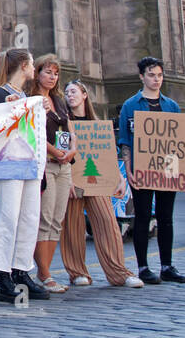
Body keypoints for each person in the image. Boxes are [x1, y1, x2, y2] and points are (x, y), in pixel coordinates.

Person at [0, 47, 49, 305]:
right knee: (7, 217)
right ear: (22, 65)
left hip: (30, 162)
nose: (34, 68)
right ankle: (2, 274)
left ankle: (21, 269)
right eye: (32, 64)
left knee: (29, 218)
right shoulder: (2, 93)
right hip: (9, 164)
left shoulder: (25, 95)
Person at [59, 81, 141, 287]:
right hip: (72, 179)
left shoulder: (97, 122)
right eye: (67, 92)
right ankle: (77, 272)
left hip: (97, 181)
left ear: (85, 94)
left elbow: (108, 157)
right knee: (73, 226)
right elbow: (61, 152)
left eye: (74, 91)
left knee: (107, 222)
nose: (70, 95)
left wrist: (119, 179)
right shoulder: (63, 122)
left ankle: (119, 272)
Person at [118, 57, 185, 284]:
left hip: (168, 169)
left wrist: (182, 172)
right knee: (142, 217)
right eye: (151, 75)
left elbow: (178, 143)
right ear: (141, 76)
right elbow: (125, 141)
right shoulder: (130, 105)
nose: (156, 79)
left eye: (159, 75)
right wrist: (128, 170)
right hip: (142, 169)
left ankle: (167, 265)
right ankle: (143, 267)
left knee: (166, 219)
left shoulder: (172, 106)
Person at [25, 55, 77, 293]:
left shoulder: (59, 99)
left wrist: (71, 149)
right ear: (37, 73)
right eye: (48, 72)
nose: (52, 77)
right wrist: (55, 151)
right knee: (44, 217)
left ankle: (47, 271)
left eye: (55, 73)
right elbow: (32, 132)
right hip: (45, 162)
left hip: (64, 164)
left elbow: (68, 128)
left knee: (57, 219)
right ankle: (44, 273)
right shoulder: (31, 99)